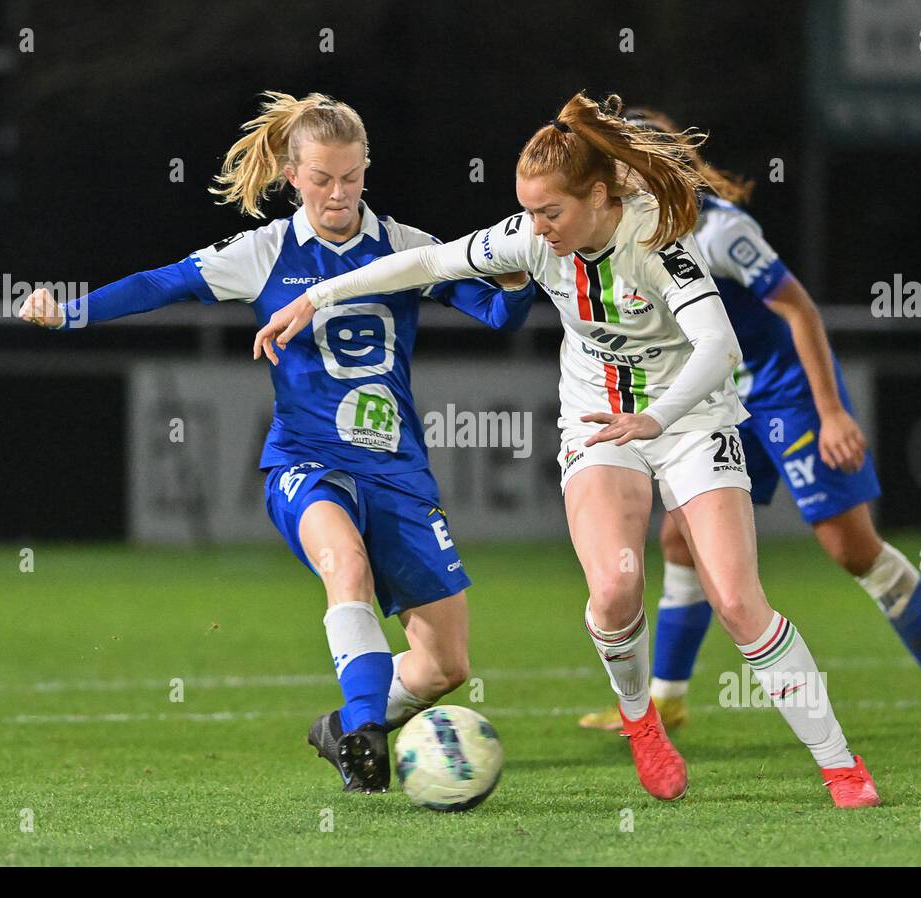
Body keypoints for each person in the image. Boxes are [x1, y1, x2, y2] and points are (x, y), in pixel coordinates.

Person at [255, 92, 881, 808]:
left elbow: (719, 345)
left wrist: (658, 417)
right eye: (529, 212)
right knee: (615, 591)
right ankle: (642, 720)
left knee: (739, 601)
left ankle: (839, 764)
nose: (537, 228)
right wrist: (320, 295)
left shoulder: (655, 240)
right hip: (596, 420)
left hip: (690, 417)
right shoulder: (532, 236)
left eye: (551, 212)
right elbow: (427, 263)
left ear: (598, 196)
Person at [19, 91, 535, 793]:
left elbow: (498, 314)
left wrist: (517, 271)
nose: (338, 192)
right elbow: (159, 283)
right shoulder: (264, 253)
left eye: (351, 176)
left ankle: (345, 727)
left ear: (365, 169)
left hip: (398, 473)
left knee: (447, 667)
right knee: (344, 565)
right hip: (307, 462)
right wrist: (71, 312)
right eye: (321, 178)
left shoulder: (407, 247)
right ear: (293, 174)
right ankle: (363, 742)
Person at [577, 108, 921, 735]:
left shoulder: (722, 232)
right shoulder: (637, 236)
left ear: (657, 170)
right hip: (729, 400)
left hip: (787, 396)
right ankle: (667, 698)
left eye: (625, 170)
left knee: (850, 549)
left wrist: (830, 414)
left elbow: (800, 311)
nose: (618, 184)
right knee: (679, 537)